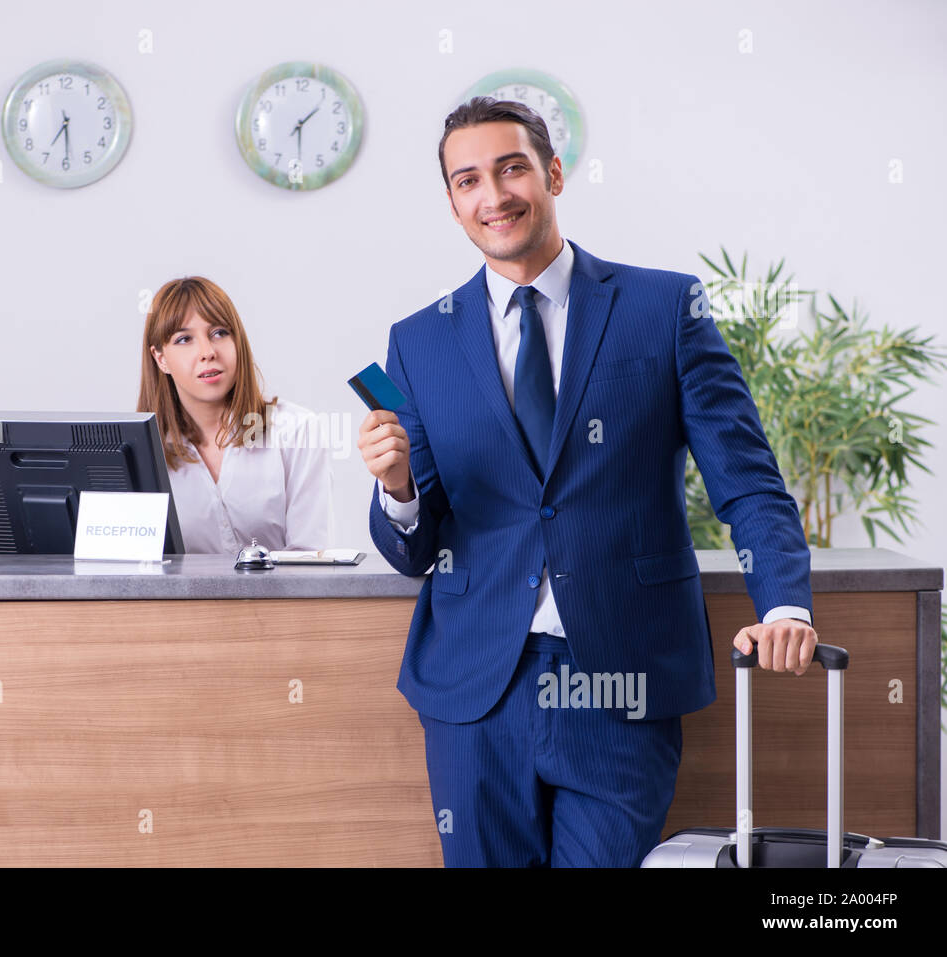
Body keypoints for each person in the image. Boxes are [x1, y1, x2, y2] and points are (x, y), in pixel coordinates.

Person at [356, 97, 818, 867]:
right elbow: (416, 548)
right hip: (475, 690)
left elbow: (748, 483)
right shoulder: (416, 342)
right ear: (451, 202)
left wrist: (785, 601)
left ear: (554, 173)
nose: (493, 195)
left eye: (511, 169)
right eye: (468, 180)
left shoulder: (665, 308)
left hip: (621, 681)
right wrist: (397, 486)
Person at [138, 276, 333, 555]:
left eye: (219, 333)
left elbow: (309, 557)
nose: (208, 352)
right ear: (161, 359)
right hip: (182, 601)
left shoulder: (296, 430)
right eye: (184, 339)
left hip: (281, 600)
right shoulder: (147, 449)